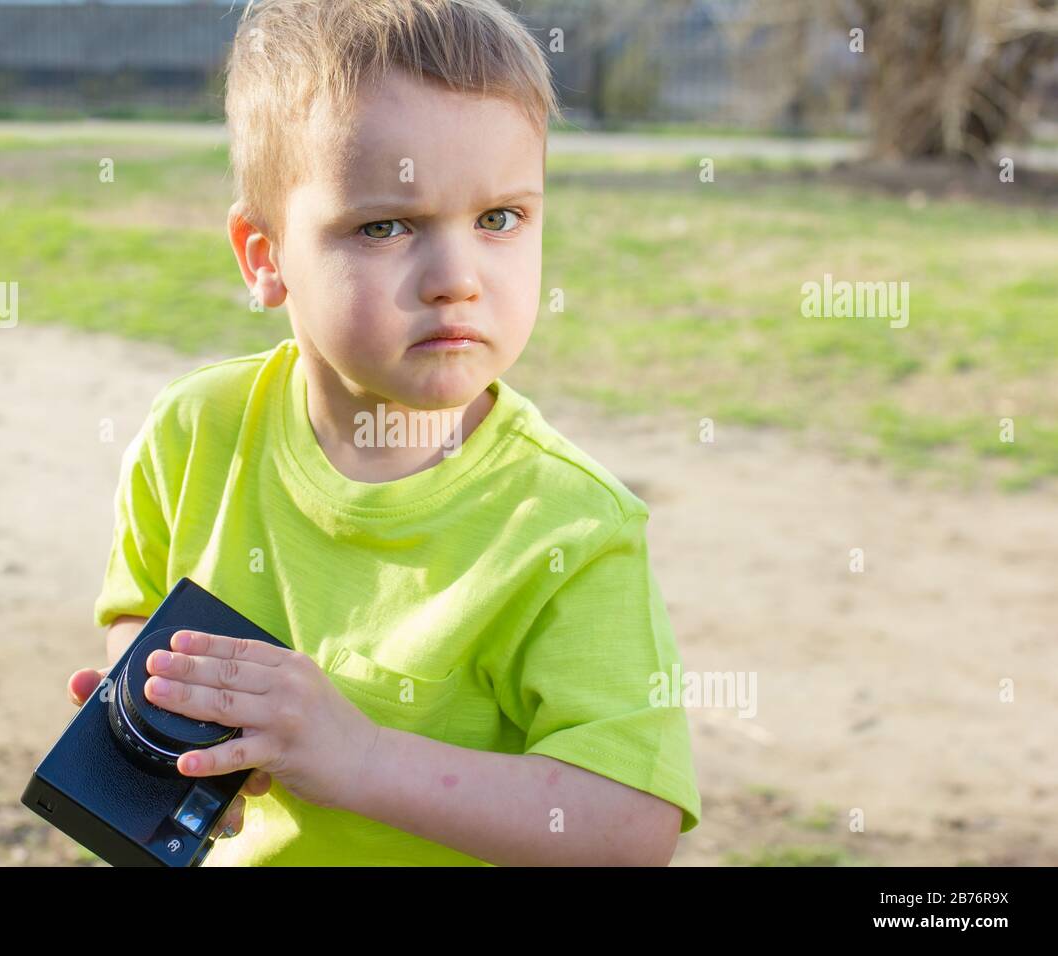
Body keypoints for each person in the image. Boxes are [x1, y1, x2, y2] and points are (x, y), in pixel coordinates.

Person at [68, 0, 701, 866]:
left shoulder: (569, 528)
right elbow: (139, 613)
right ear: (264, 257)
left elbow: (629, 831)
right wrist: (175, 718)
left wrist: (358, 758)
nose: (455, 279)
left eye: (500, 219)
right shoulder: (196, 433)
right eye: (385, 226)